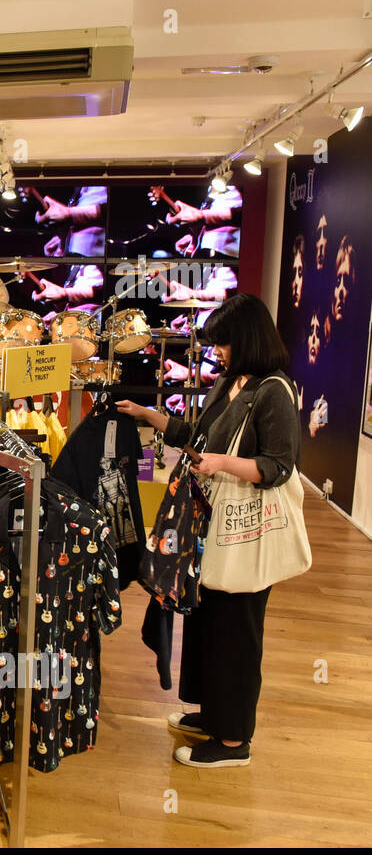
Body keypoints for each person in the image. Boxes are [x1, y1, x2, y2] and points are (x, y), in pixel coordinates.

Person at [116, 293, 300, 768]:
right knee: (207, 621)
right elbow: (198, 438)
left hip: (244, 528)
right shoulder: (231, 383)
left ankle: (235, 740)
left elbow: (279, 466)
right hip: (210, 524)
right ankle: (212, 713)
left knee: (236, 631)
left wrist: (222, 464)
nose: (216, 352)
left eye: (224, 343)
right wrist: (151, 416)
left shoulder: (274, 390)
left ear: (247, 340)